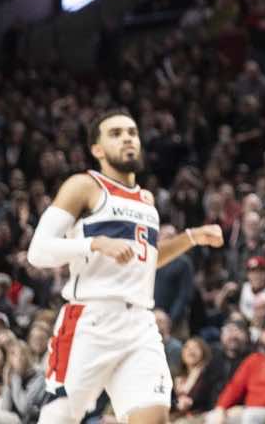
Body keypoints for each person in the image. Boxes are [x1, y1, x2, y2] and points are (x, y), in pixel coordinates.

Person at [27, 111, 225, 424]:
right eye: (116, 133)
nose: (128, 138)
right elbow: (38, 252)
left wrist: (192, 237)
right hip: (90, 320)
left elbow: (145, 260)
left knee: (155, 416)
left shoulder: (146, 200)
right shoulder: (84, 186)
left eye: (132, 132)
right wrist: (94, 244)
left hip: (140, 324)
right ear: (97, 149)